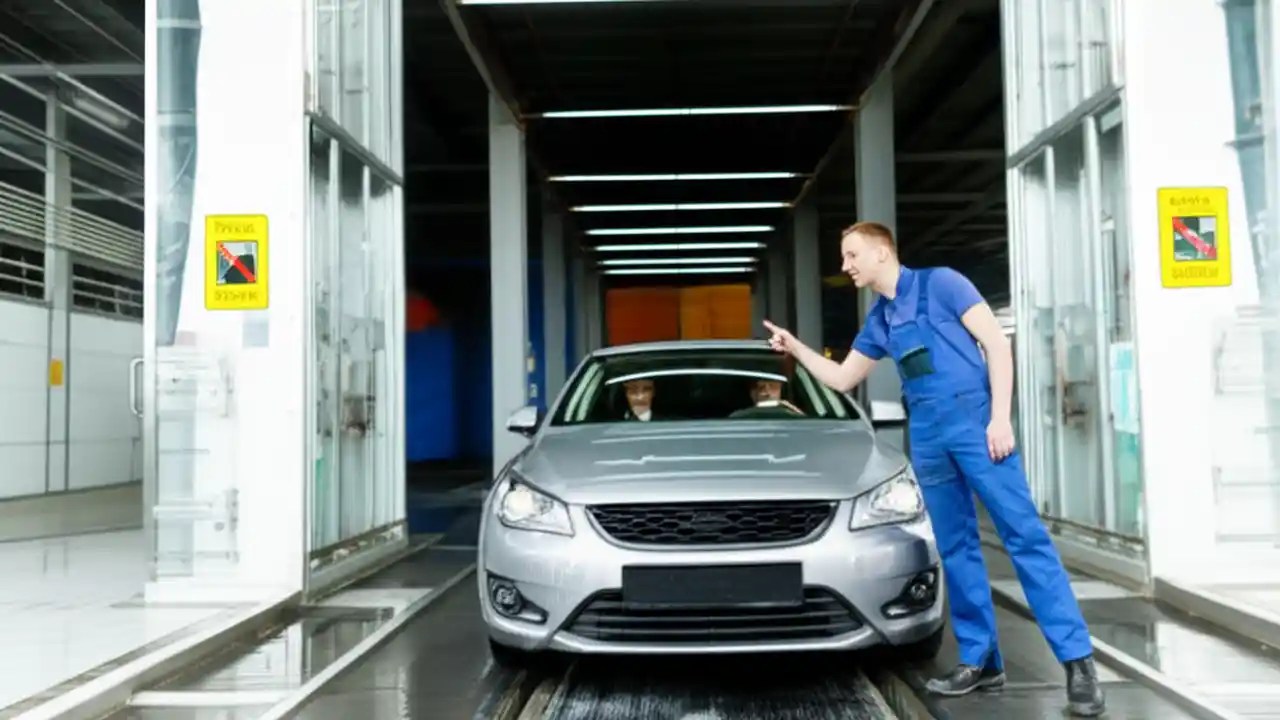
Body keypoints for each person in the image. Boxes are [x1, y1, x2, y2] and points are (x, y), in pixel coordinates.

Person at [762, 221, 1105, 718]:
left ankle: (1079, 663)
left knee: (1024, 536)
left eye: (852, 255)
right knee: (955, 546)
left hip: (978, 426)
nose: (846, 265)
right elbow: (841, 378)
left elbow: (997, 344)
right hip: (927, 434)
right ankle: (981, 659)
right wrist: (795, 348)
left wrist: (1000, 416)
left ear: (882, 253)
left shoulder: (944, 284)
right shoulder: (879, 319)